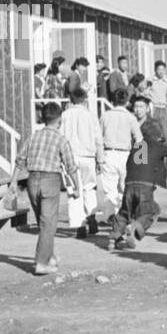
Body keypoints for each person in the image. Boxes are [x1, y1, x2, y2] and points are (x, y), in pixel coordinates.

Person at [110, 94, 167, 251]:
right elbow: (166, 149)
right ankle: (135, 227)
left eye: (141, 107)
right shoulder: (131, 123)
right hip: (143, 174)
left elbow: (158, 145)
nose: (138, 110)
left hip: (136, 171)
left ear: (147, 109)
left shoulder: (152, 125)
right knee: (149, 209)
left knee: (126, 209)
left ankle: (114, 237)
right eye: (136, 107)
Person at [14, 100, 80, 274]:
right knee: (48, 224)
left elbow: (20, 160)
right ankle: (41, 262)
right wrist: (77, 186)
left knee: (43, 222)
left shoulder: (33, 136)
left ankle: (49, 256)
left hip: (32, 180)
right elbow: (71, 166)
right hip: (50, 180)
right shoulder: (61, 139)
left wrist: (13, 182)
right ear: (59, 120)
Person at [59, 87, 104, 239]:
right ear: (85, 100)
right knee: (89, 188)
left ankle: (80, 224)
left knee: (74, 191)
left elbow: (60, 137)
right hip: (88, 156)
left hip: (70, 157)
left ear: (71, 100)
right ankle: (91, 216)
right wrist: (100, 158)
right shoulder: (91, 116)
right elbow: (98, 138)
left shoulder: (64, 115)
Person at [98, 87, 141, 218]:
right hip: (126, 155)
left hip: (109, 153)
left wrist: (99, 158)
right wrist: (140, 160)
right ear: (127, 101)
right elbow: (139, 139)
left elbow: (98, 139)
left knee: (109, 189)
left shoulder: (105, 116)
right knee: (125, 187)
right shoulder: (130, 117)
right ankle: (124, 215)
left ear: (113, 100)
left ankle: (111, 215)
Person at [147, 61, 167, 141]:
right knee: (154, 130)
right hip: (153, 108)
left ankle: (165, 148)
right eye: (159, 69)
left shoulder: (166, 81)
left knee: (165, 131)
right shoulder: (150, 80)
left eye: (163, 69)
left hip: (163, 108)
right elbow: (146, 93)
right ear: (155, 70)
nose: (161, 71)